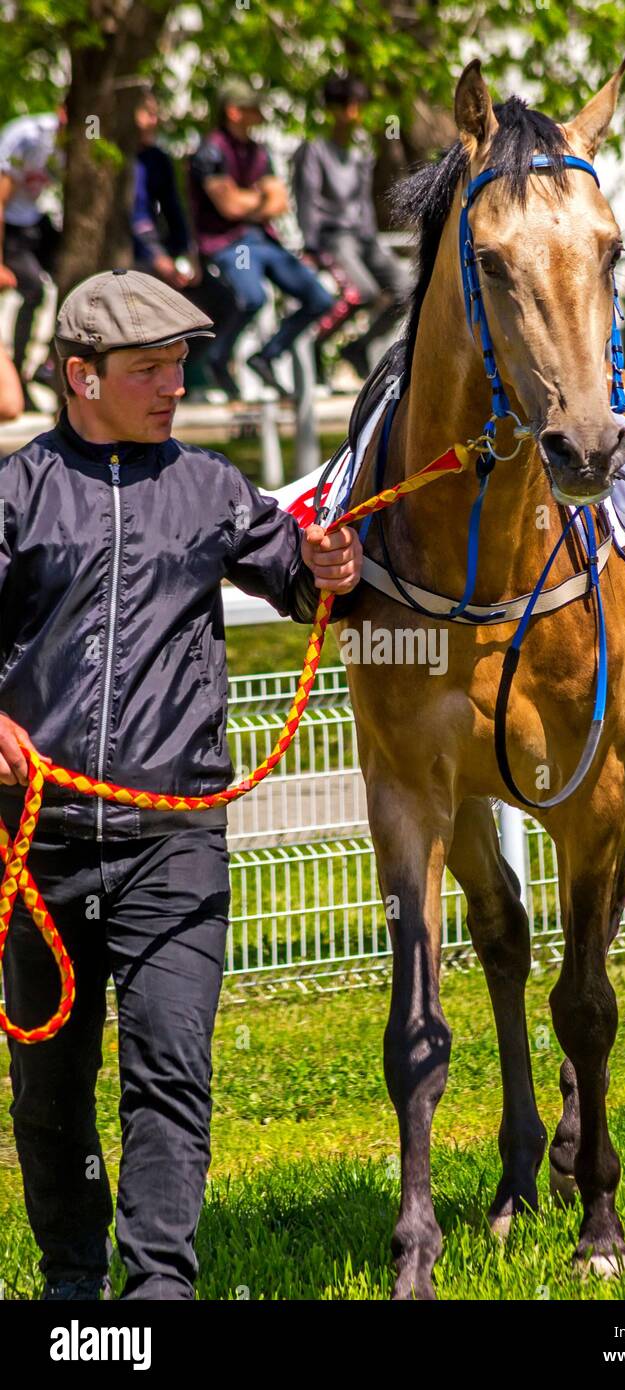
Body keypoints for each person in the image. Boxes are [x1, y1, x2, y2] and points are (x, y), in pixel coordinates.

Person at [0, 268, 362, 1301]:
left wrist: (326, 563)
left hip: (176, 841)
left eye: (180, 365)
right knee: (50, 1093)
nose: (173, 385)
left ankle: (158, 1293)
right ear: (81, 377)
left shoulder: (208, 487)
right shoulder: (17, 495)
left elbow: (295, 572)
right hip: (38, 844)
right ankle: (72, 1284)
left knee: (170, 1073)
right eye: (148, 368)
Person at [188, 80, 334, 399]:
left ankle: (266, 356)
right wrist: (257, 199)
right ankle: (218, 357)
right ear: (233, 111)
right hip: (229, 243)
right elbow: (228, 207)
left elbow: (279, 202)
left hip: (263, 239)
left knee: (319, 299)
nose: (260, 113)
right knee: (252, 298)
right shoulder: (210, 151)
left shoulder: (259, 151)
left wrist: (247, 201)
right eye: (252, 108)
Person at [292, 75, 411, 382]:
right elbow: (306, 200)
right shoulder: (314, 150)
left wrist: (371, 239)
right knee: (364, 292)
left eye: (358, 105)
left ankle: (358, 347)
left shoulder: (360, 151)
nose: (355, 113)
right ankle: (319, 344)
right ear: (333, 110)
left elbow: (363, 202)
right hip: (332, 238)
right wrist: (312, 245)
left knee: (408, 289)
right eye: (349, 106)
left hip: (363, 238)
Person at [131, 89, 236, 392]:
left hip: (161, 250)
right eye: (148, 112)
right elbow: (133, 217)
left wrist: (188, 255)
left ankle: (187, 374)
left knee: (221, 301)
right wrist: (157, 259)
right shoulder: (122, 160)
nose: (155, 119)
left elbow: (175, 211)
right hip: (132, 256)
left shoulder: (158, 158)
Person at [0, 108, 66, 409]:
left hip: (35, 219)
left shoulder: (83, 139)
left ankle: (50, 366)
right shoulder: (28, 136)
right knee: (32, 289)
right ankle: (17, 373)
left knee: (79, 278)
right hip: (10, 224)